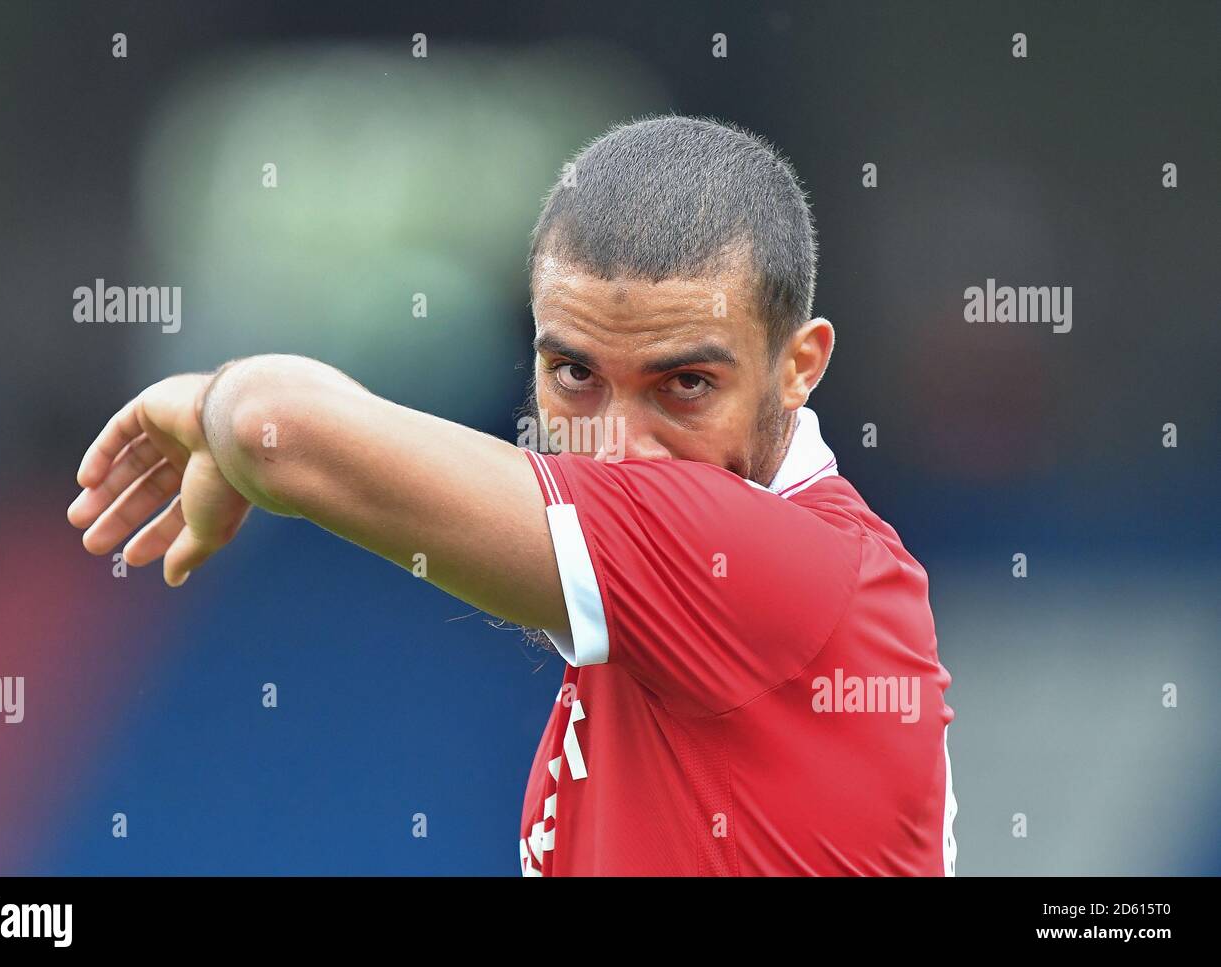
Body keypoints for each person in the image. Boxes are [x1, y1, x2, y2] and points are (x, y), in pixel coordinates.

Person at [68, 115, 956, 876]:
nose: (619, 448)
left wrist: (209, 400)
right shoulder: (699, 592)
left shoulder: (773, 566)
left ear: (799, 366)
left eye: (683, 384)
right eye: (573, 374)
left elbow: (279, 427)